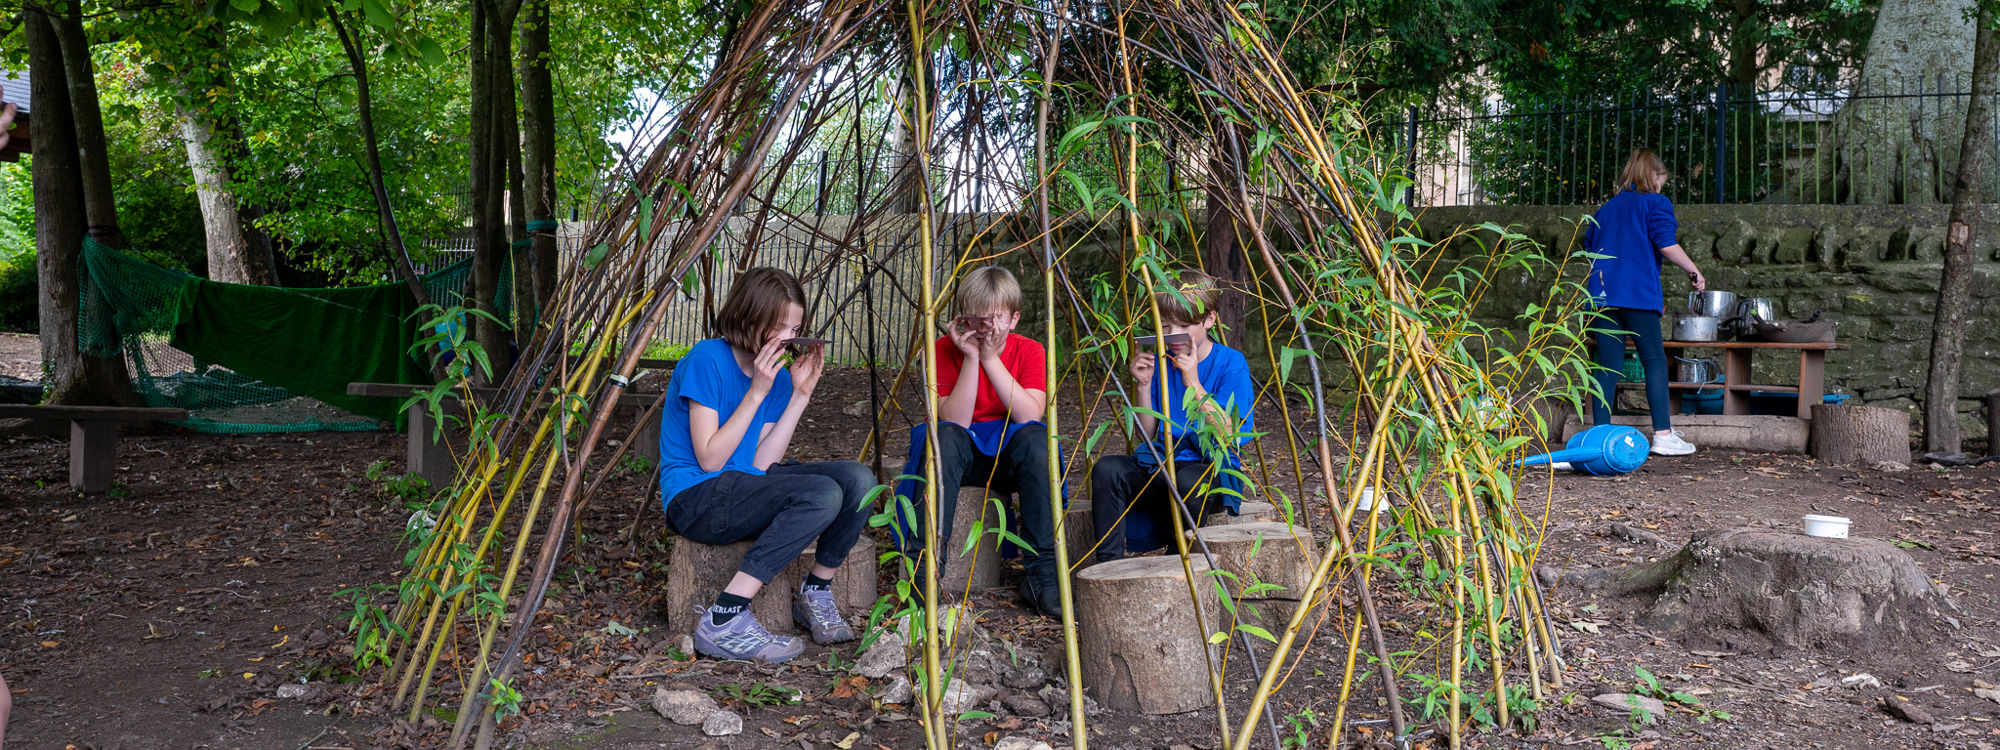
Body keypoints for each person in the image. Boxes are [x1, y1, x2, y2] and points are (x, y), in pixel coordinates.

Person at [657, 267, 877, 664]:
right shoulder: (706, 359)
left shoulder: (776, 377)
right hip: (695, 497)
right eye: (779, 327)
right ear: (747, 317)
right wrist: (756, 391)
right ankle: (724, 617)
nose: (789, 340)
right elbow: (709, 458)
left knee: (858, 479)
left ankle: (816, 591)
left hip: (743, 485)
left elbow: (762, 462)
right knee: (822, 494)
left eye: (795, 329)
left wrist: (799, 395)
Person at [894, 266, 1063, 615]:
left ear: (1014, 318)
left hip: (1011, 457)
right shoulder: (941, 349)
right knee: (944, 436)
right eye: (976, 319)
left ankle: (1043, 577)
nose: (985, 327)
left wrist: (991, 358)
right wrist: (972, 357)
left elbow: (1029, 415)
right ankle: (925, 573)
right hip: (961, 455)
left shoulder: (1030, 350)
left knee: (1036, 439)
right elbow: (954, 420)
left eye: (994, 318)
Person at [1090, 269, 1255, 562]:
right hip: (1161, 463)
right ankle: (1109, 567)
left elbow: (1229, 435)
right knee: (1107, 470)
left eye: (1183, 326)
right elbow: (1146, 434)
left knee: (1188, 481)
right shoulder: (1161, 360)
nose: (1171, 336)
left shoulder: (1231, 364)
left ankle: (1176, 561)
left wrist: (1192, 380)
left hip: (1207, 470)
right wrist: (1143, 384)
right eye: (1165, 326)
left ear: (1210, 319)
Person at [1586, 148, 1707, 457]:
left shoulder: (1606, 209)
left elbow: (1588, 245)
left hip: (1601, 296)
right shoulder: (1655, 203)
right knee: (1653, 360)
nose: (1662, 185)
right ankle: (1663, 436)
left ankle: (1600, 436)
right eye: (1661, 179)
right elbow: (1666, 245)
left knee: (1606, 364)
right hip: (1637, 294)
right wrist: (1693, 270)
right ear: (1653, 175)